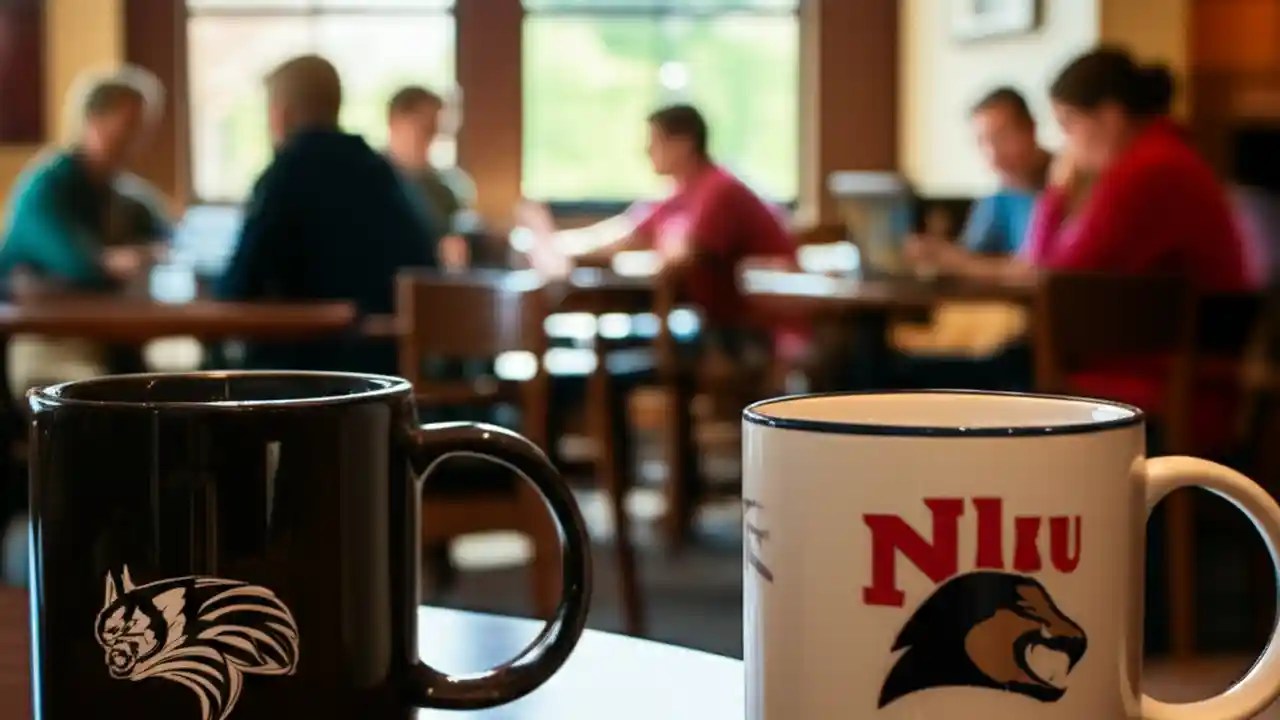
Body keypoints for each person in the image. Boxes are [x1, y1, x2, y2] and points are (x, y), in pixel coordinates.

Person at [518, 104, 796, 357]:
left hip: (758, 329)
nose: (647, 151)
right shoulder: (678, 194)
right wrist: (550, 243)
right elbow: (624, 234)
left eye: (655, 142)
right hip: (706, 320)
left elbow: (682, 259)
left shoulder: (720, 192)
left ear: (684, 144)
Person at [216, 55, 436, 375]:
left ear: (281, 113)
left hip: (303, 381)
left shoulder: (285, 175)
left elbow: (237, 287)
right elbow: (425, 270)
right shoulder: (381, 173)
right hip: (386, 375)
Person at [0, 67, 169, 395]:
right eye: (128, 124)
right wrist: (113, 264)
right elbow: (78, 264)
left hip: (107, 335)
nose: (137, 137)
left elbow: (167, 245)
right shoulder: (46, 187)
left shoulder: (128, 196)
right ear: (93, 119)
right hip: (45, 339)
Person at [386, 86, 477, 271]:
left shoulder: (445, 191)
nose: (430, 140)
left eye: (436, 131)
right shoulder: (371, 182)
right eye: (424, 129)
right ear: (396, 122)